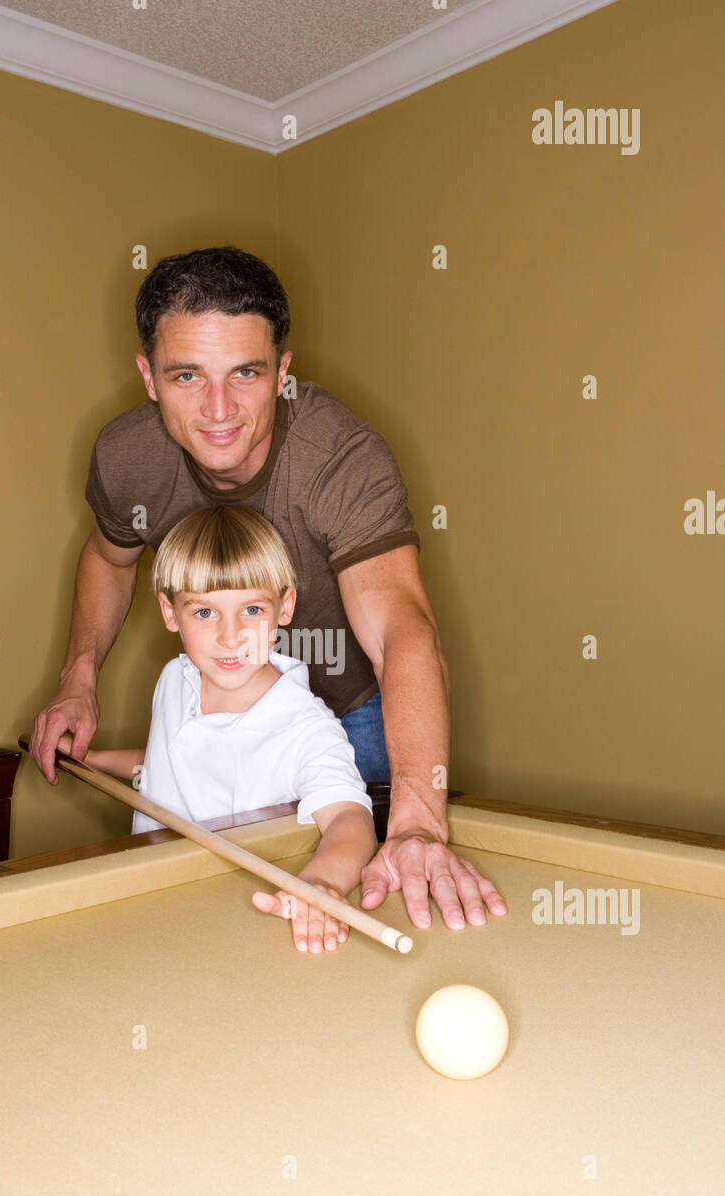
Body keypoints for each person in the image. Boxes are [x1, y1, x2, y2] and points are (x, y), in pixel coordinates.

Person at [31, 246, 506, 934]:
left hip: (352, 705)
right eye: (187, 375)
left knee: (360, 880)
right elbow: (109, 559)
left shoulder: (339, 457)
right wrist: (78, 679)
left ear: (282, 371)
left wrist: (418, 822)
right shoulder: (125, 458)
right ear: (148, 377)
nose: (218, 408)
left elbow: (403, 631)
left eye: (246, 372)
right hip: (222, 699)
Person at [55, 505, 376, 954]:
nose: (230, 637)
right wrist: (91, 759)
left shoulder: (305, 726)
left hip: (240, 927)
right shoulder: (175, 677)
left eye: (251, 609)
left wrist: (322, 882)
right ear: (171, 613)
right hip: (149, 907)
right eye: (205, 613)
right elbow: (171, 762)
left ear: (285, 607)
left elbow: (349, 819)